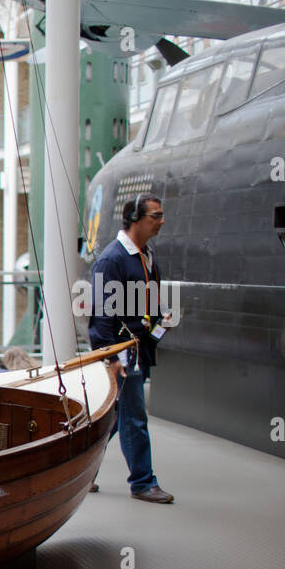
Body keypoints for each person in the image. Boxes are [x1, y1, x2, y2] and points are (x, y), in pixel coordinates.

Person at [88, 193, 174, 504]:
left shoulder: (144, 255)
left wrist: (160, 317)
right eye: (156, 215)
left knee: (114, 419)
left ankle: (83, 472)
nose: (161, 221)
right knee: (134, 417)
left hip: (136, 349)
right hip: (124, 354)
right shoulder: (113, 259)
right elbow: (103, 311)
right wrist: (109, 357)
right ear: (135, 219)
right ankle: (142, 482)